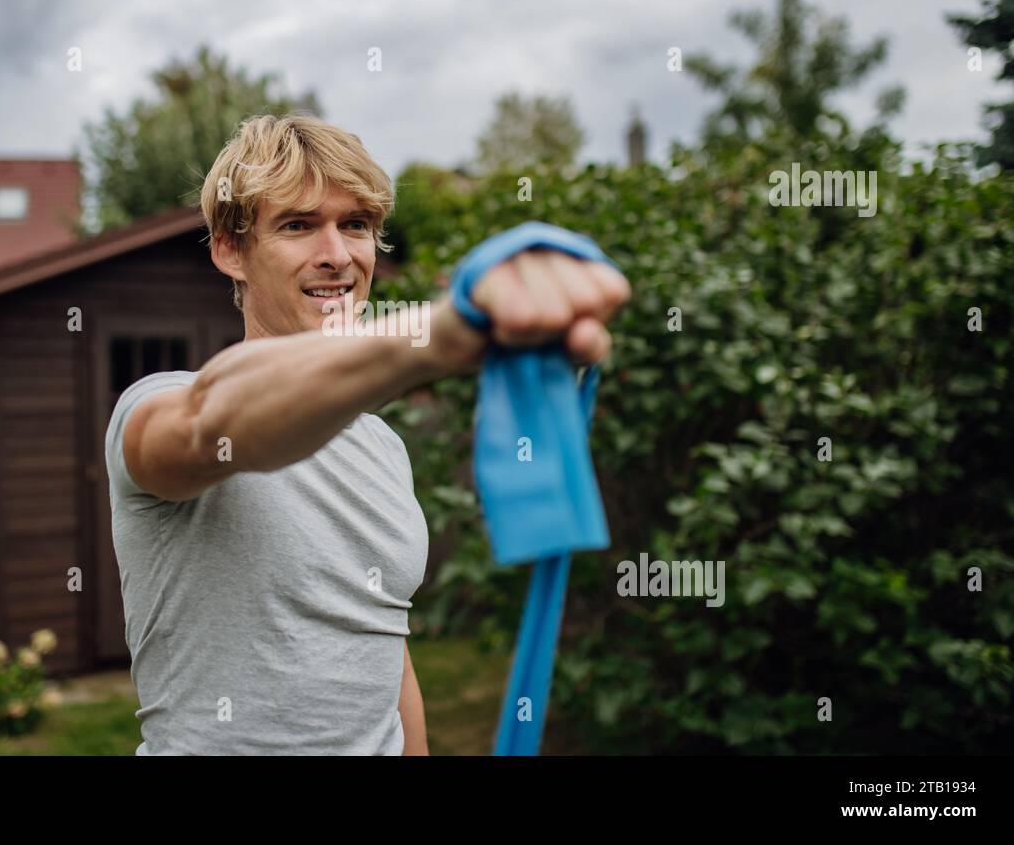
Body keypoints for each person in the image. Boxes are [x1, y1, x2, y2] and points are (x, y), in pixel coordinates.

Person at [105, 113, 631, 755]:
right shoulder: (159, 405)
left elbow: (385, 646)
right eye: (297, 225)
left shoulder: (383, 447)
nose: (337, 254)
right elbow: (215, 421)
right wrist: (442, 335)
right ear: (229, 250)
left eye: (355, 225)